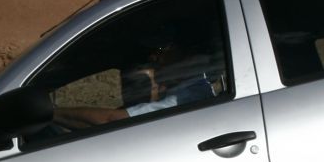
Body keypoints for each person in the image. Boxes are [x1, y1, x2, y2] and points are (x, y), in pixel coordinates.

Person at [52, 36, 217, 129]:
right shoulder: (191, 88)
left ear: (187, 54)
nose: (154, 58)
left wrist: (50, 114)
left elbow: (111, 121)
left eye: (162, 50)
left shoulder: (187, 97)